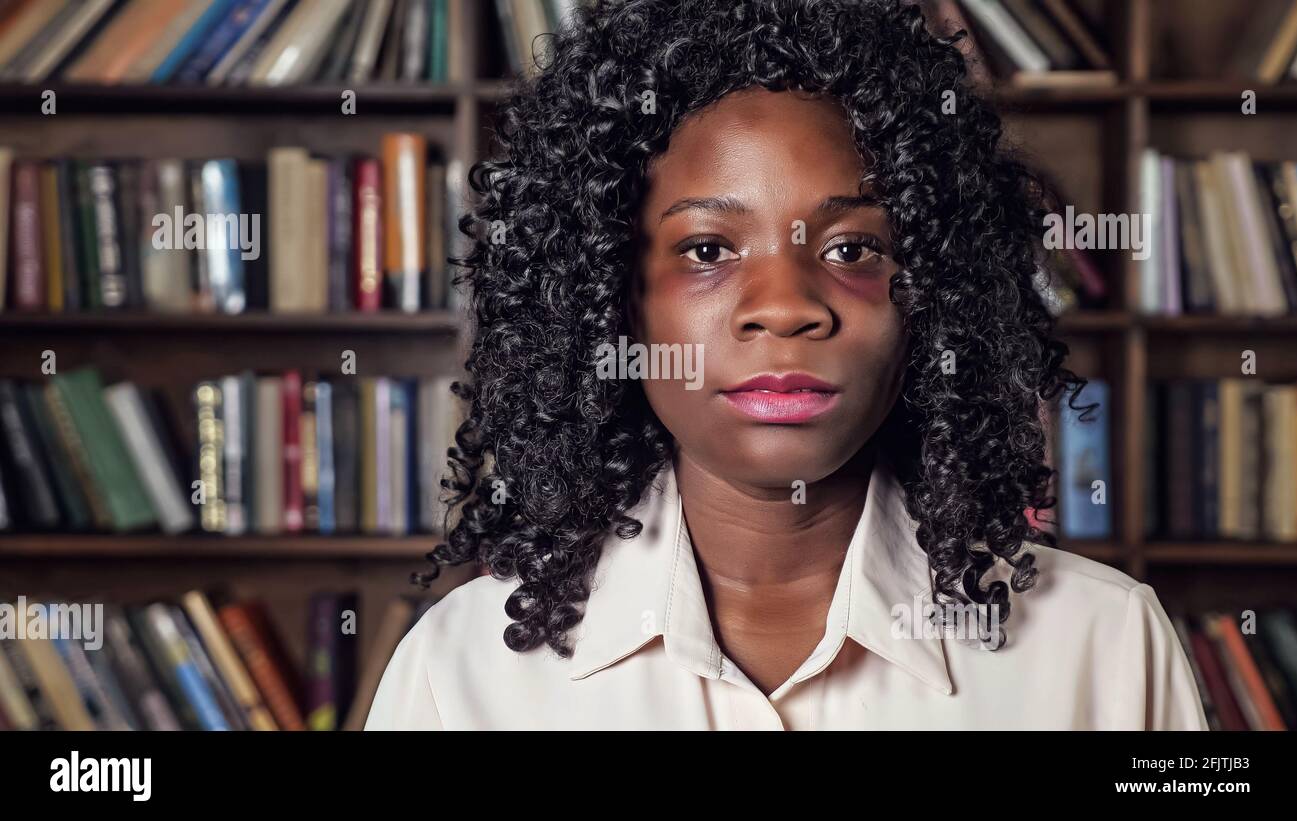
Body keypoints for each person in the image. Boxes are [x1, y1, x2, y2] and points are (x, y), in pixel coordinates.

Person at [365, 0, 1207, 730]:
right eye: (706, 248)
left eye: (852, 246)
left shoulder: (1109, 648)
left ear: (934, 295)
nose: (786, 304)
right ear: (615, 301)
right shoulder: (458, 674)